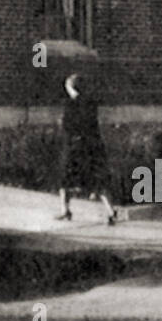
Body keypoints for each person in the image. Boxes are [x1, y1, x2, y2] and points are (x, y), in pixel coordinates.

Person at [55, 72, 118, 225]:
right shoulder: (91, 103)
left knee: (65, 180)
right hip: (92, 147)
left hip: (74, 147)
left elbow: (67, 126)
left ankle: (66, 210)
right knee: (98, 181)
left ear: (71, 88)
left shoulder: (69, 105)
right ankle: (110, 211)